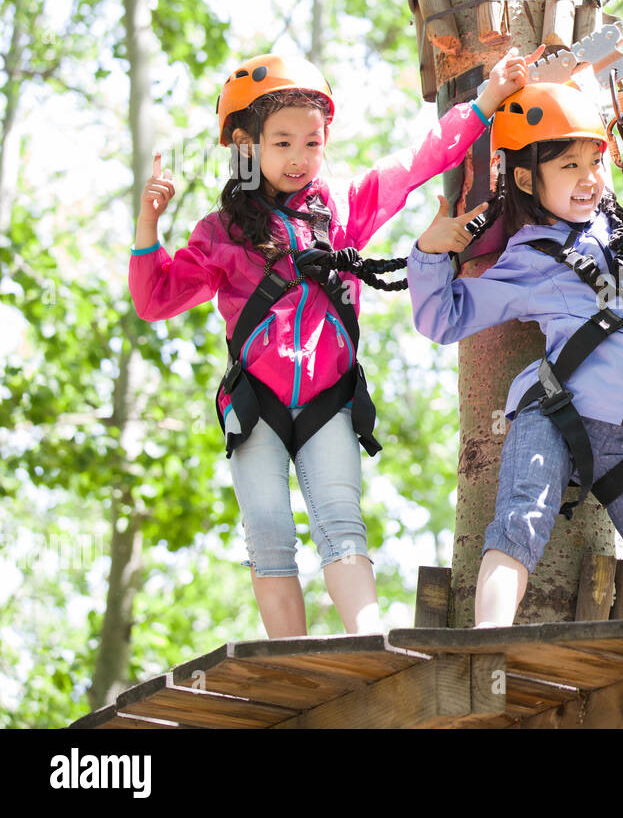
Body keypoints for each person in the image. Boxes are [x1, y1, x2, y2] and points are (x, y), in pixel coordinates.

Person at [130, 49, 530, 637]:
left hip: (328, 400)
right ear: (246, 145)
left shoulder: (339, 211)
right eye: (282, 142)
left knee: (343, 525)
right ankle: (290, 658)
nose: (299, 158)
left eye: (312, 143)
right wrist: (148, 225)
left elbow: (413, 165)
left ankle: (369, 644)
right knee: (267, 531)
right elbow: (155, 298)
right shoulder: (220, 235)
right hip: (256, 404)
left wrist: (485, 104)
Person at [407, 80, 623, 626]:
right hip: (555, 414)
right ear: (524, 178)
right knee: (521, 518)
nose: (588, 179)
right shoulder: (531, 257)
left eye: (596, 162)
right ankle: (489, 635)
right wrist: (428, 254)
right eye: (568, 166)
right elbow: (445, 319)